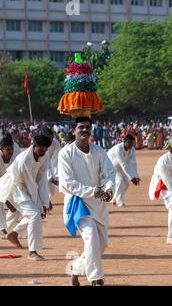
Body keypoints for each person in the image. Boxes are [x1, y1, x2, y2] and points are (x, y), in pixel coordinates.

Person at [58, 117, 116, 286]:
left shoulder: (99, 151)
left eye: (87, 127)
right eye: (80, 127)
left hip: (98, 204)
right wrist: (93, 191)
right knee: (91, 238)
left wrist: (109, 188)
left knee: (101, 245)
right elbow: (67, 183)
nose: (84, 130)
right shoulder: (65, 154)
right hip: (78, 204)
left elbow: (110, 173)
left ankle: (75, 268)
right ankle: (96, 279)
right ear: (73, 131)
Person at [0, 135, 52, 261]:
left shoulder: (44, 156)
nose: (42, 153)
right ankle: (32, 252)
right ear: (33, 146)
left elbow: (41, 179)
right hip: (14, 187)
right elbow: (32, 185)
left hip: (25, 187)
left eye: (45, 150)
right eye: (40, 150)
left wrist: (45, 201)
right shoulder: (24, 160)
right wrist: (41, 205)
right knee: (35, 214)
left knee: (36, 213)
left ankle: (14, 234)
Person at [107, 134, 140, 208]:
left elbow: (133, 163)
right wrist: (131, 178)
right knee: (120, 181)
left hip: (120, 166)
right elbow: (123, 164)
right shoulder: (118, 149)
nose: (131, 145)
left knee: (126, 184)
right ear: (124, 141)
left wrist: (135, 176)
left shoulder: (132, 149)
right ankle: (120, 202)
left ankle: (114, 199)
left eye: (132, 143)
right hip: (111, 166)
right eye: (129, 143)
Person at [0, 137, 15, 238]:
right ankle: (3, 229)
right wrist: (7, 202)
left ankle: (5, 227)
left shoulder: (14, 159)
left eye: (11, 149)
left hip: (7, 186)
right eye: (7, 149)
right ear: (1, 150)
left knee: (18, 206)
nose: (10, 152)